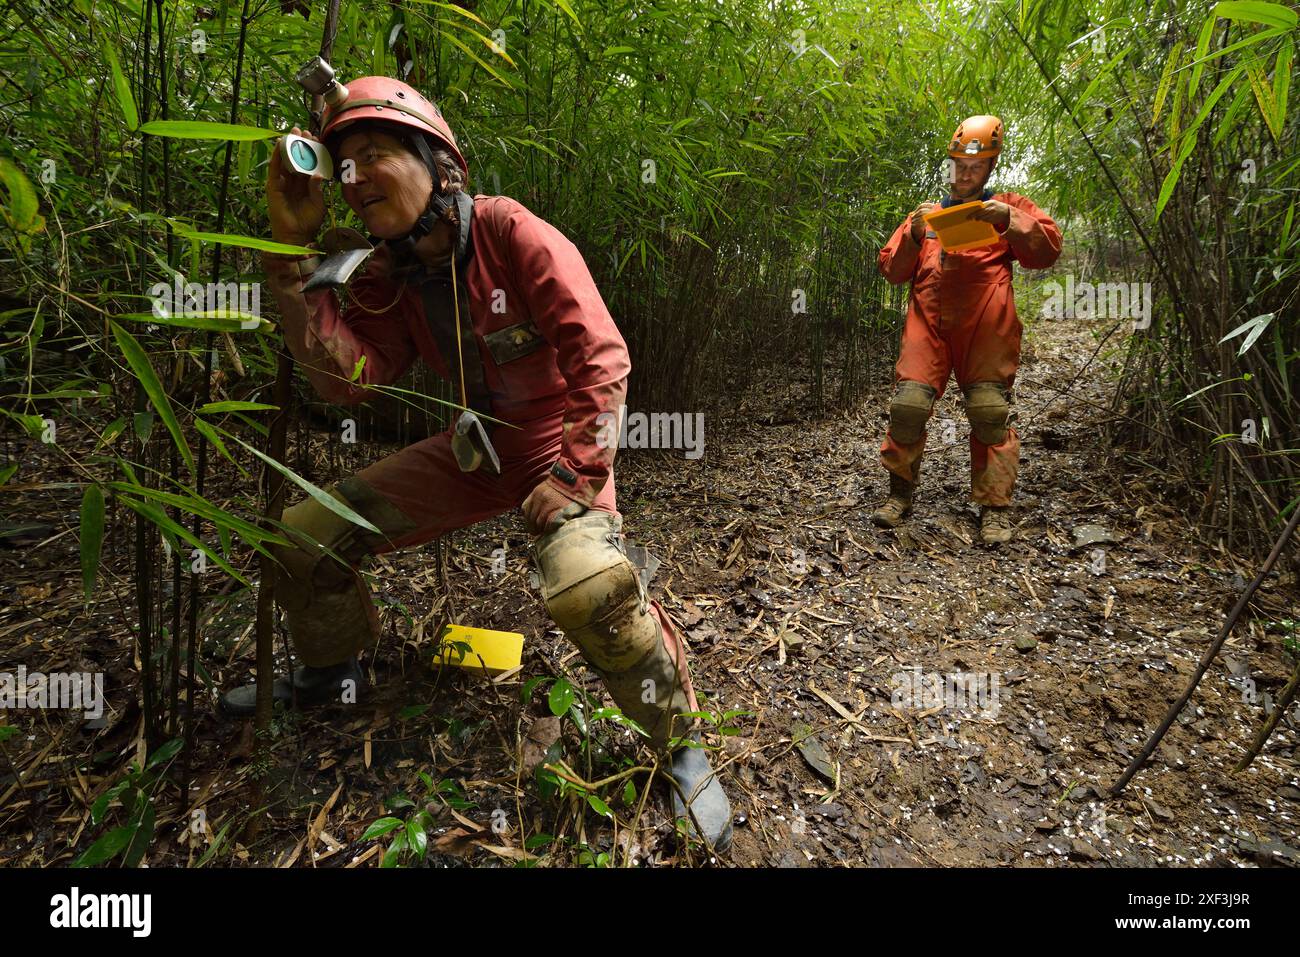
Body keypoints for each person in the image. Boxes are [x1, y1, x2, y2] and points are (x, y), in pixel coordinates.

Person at [218, 75, 731, 850]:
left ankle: (682, 742)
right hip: (476, 451)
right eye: (342, 166)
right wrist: (289, 262)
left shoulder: (511, 232)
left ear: (440, 164)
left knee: (589, 585)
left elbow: (601, 355)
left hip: (560, 449)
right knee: (298, 537)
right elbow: (344, 381)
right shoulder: (388, 277)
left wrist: (573, 475)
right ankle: (331, 669)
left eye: (375, 153)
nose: (354, 179)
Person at [872, 115, 1062, 543]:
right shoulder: (926, 214)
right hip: (929, 323)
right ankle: (899, 495)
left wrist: (1009, 218)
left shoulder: (1008, 206)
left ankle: (994, 508)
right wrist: (915, 237)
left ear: (991, 167)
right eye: (958, 164)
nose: (965, 173)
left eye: (975, 166)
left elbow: (1046, 251)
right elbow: (891, 270)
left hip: (985, 326)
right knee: (908, 406)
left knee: (989, 412)